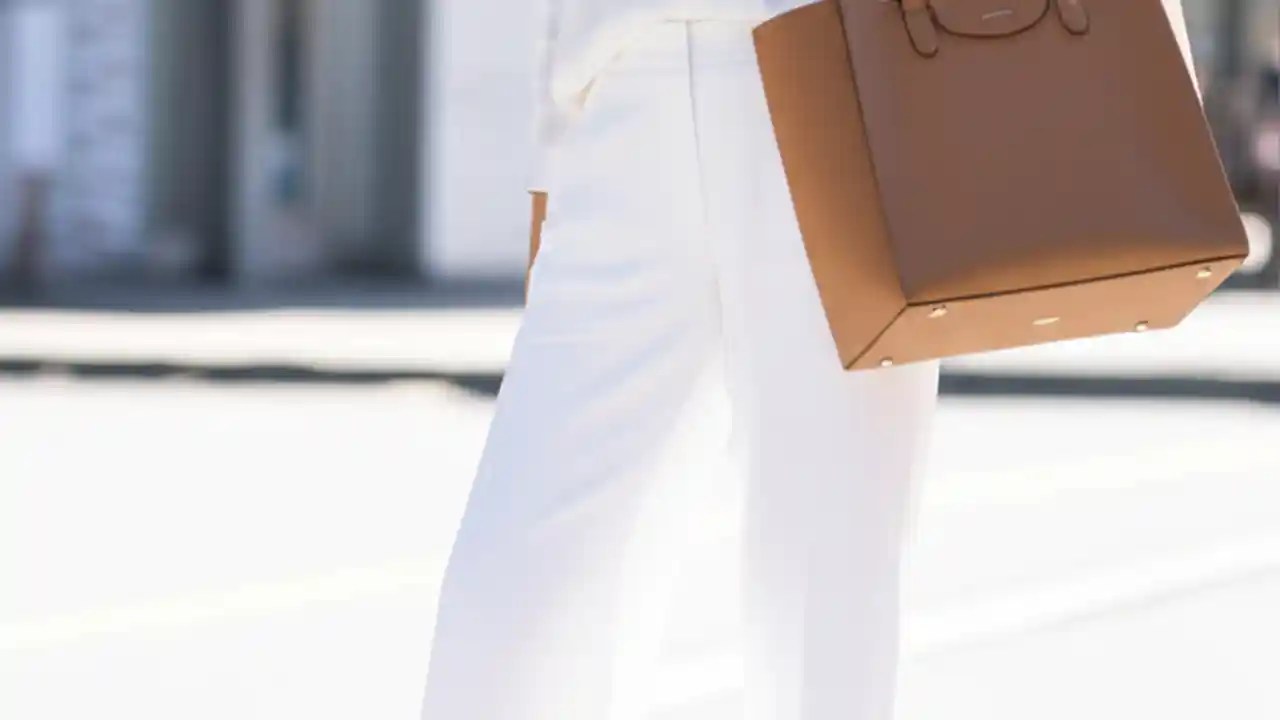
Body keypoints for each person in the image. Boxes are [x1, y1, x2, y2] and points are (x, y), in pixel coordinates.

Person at [418, 2, 945, 719]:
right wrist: (554, 144)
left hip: (853, 71)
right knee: (512, 610)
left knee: (826, 615)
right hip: (622, 87)